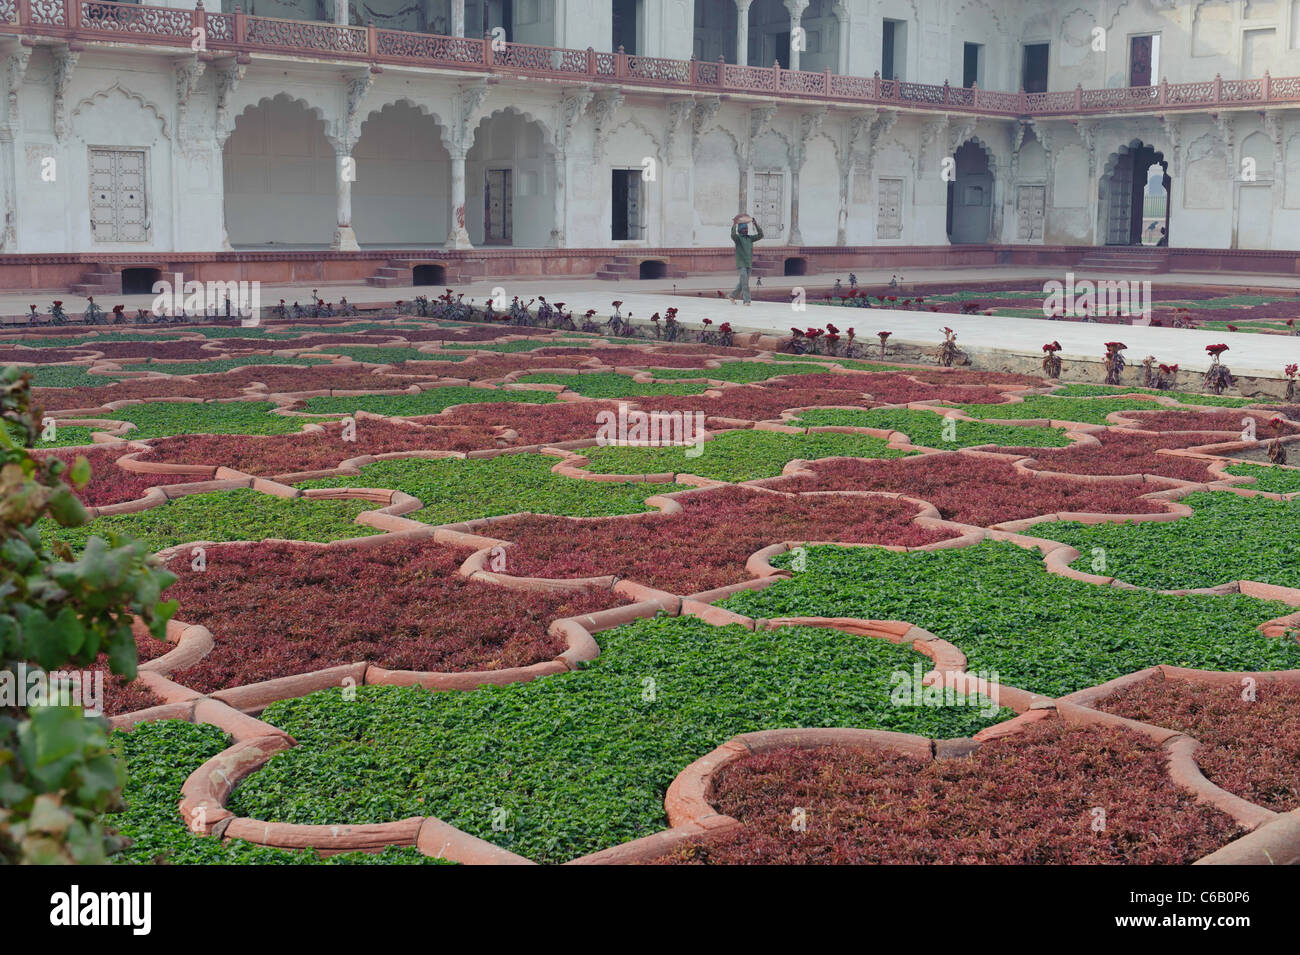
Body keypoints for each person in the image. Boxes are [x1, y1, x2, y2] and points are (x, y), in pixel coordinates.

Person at [728, 213, 763, 305]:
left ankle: (732, 296)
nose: (746, 230)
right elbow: (733, 235)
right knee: (745, 283)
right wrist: (734, 224)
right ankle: (747, 300)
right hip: (741, 264)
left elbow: (761, 235)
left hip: (748, 263)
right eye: (744, 229)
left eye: (746, 229)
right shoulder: (738, 239)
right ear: (740, 230)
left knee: (743, 282)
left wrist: (755, 224)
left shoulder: (750, 238)